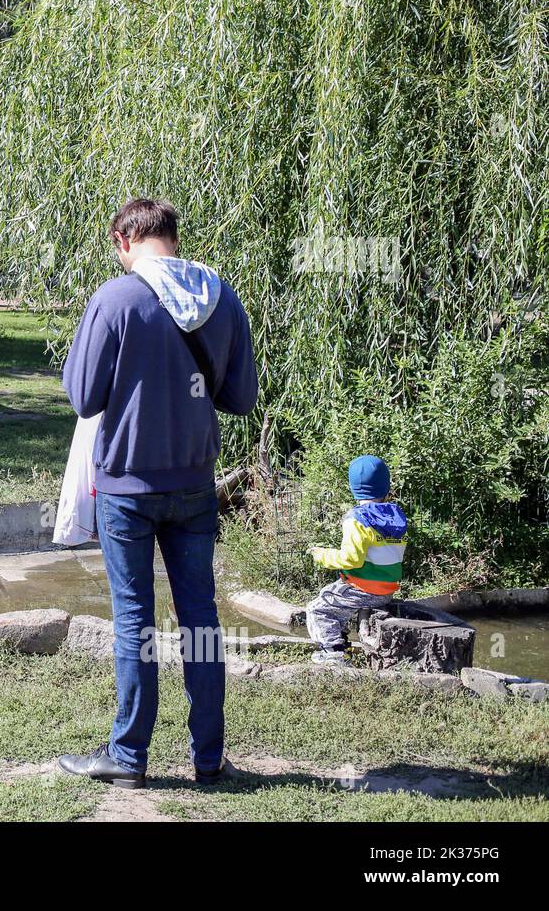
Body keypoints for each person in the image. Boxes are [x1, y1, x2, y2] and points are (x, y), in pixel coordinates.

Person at [57, 198, 258, 788]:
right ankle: (209, 758)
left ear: (125, 240)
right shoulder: (222, 297)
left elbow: (83, 398)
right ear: (171, 238)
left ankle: (127, 757)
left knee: (134, 621)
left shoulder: (115, 300)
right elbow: (240, 398)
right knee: (200, 618)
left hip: (128, 489)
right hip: (196, 487)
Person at [306, 455, 408, 666]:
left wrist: (322, 555)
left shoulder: (357, 518)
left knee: (318, 609)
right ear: (386, 486)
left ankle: (333, 654)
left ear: (353, 488)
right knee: (332, 595)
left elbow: (351, 560)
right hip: (388, 589)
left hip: (363, 587)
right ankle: (342, 645)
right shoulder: (396, 515)